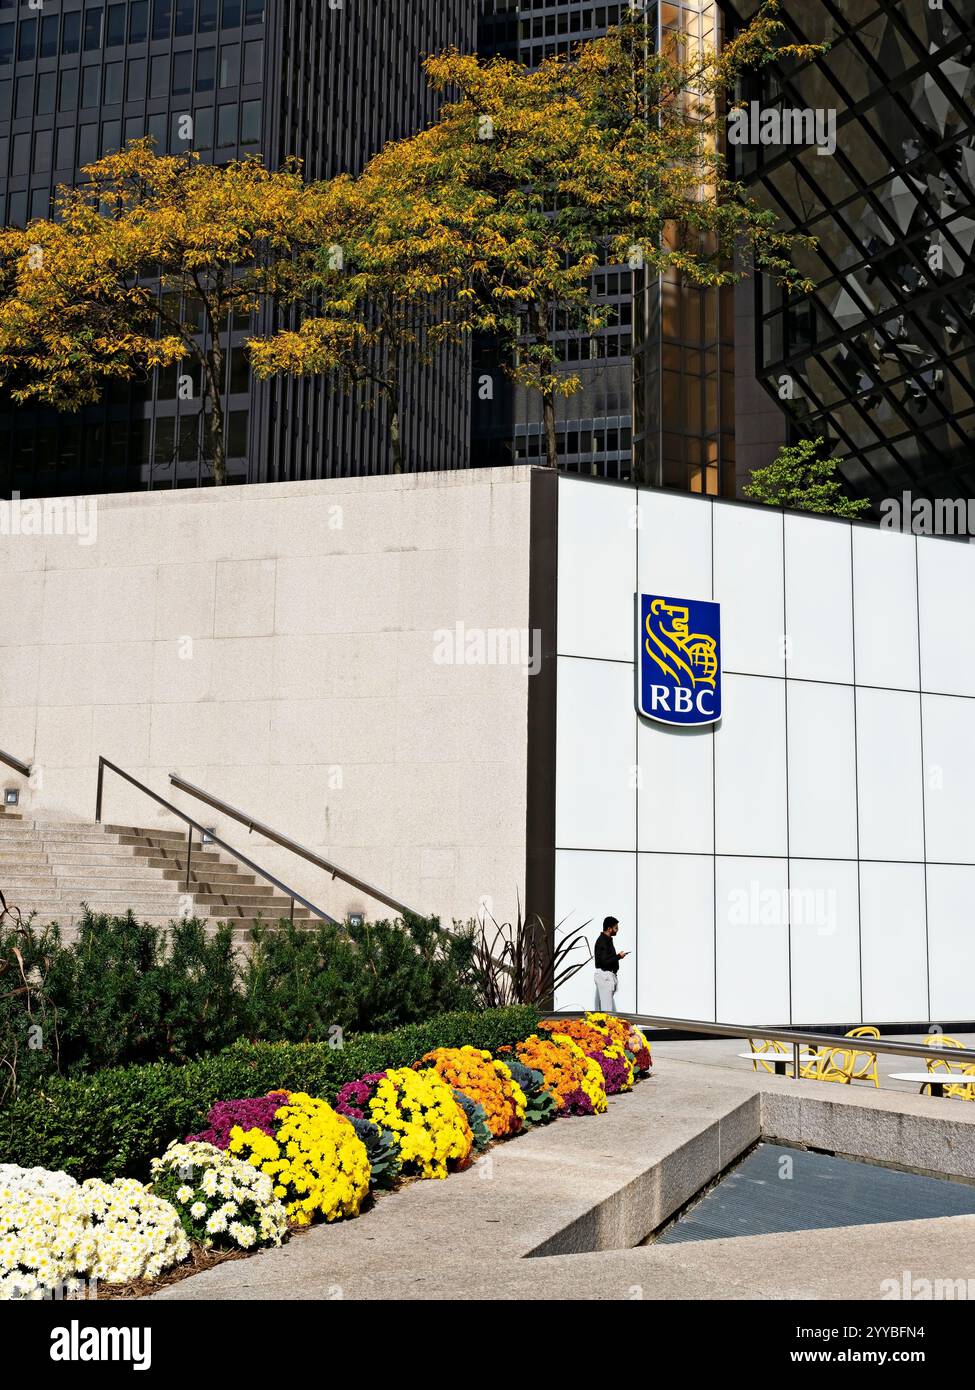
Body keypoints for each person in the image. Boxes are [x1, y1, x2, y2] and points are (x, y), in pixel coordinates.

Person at [593, 915, 628, 1013]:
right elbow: (604, 962)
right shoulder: (603, 941)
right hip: (605, 976)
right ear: (609, 929)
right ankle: (607, 1027)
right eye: (616, 928)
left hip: (607, 976)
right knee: (607, 1010)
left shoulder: (606, 940)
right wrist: (618, 957)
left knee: (606, 1008)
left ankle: (606, 1026)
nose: (617, 930)